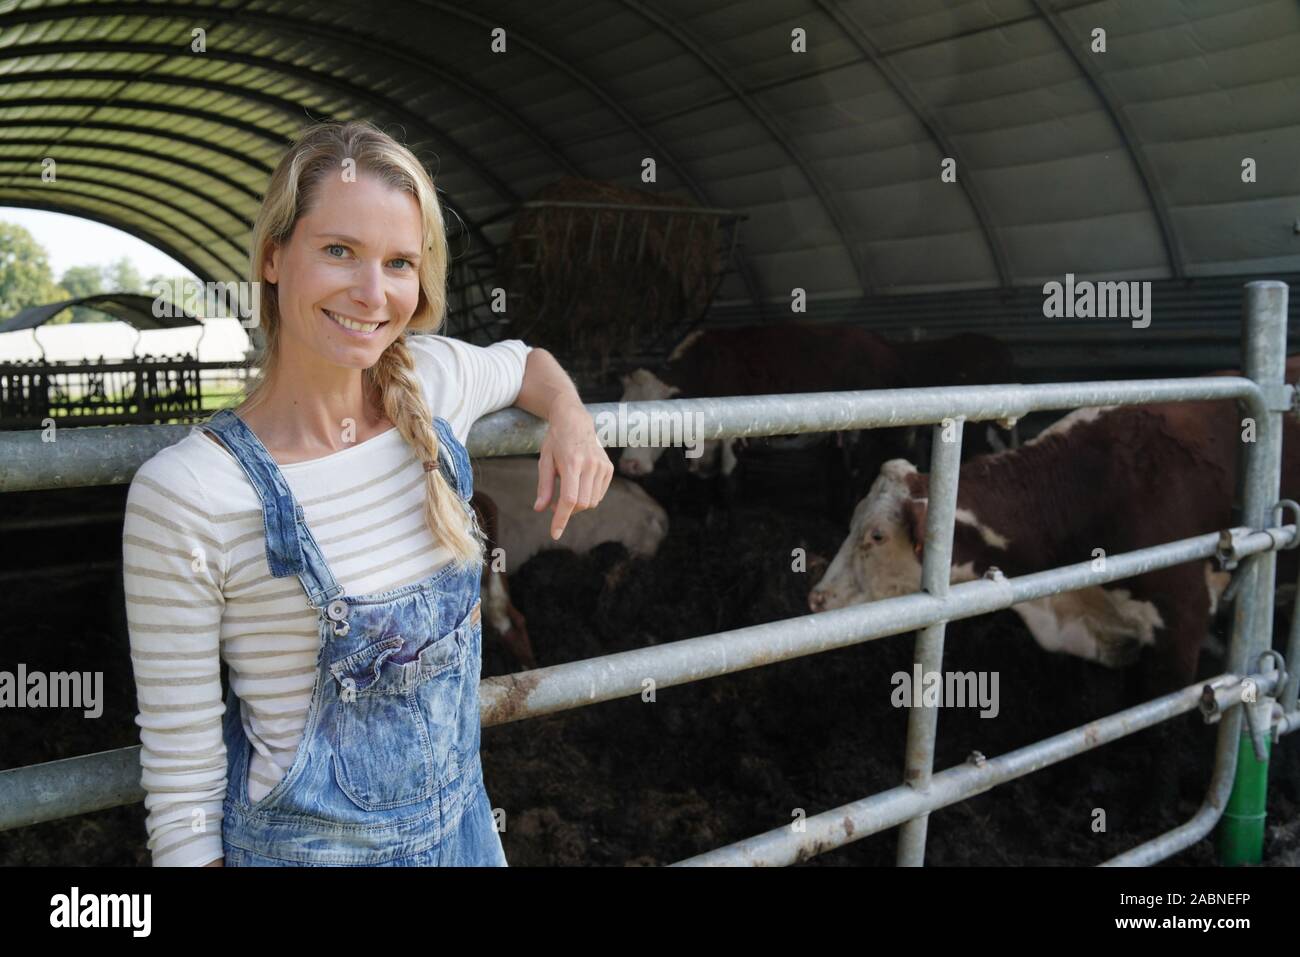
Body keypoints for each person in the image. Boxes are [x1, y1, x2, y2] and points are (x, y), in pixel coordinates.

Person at [122, 120, 613, 866]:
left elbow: (527, 363)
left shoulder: (433, 382)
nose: (372, 292)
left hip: (469, 838)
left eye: (399, 262)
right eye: (339, 251)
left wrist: (573, 418)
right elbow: (184, 791)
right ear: (273, 256)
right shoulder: (188, 493)